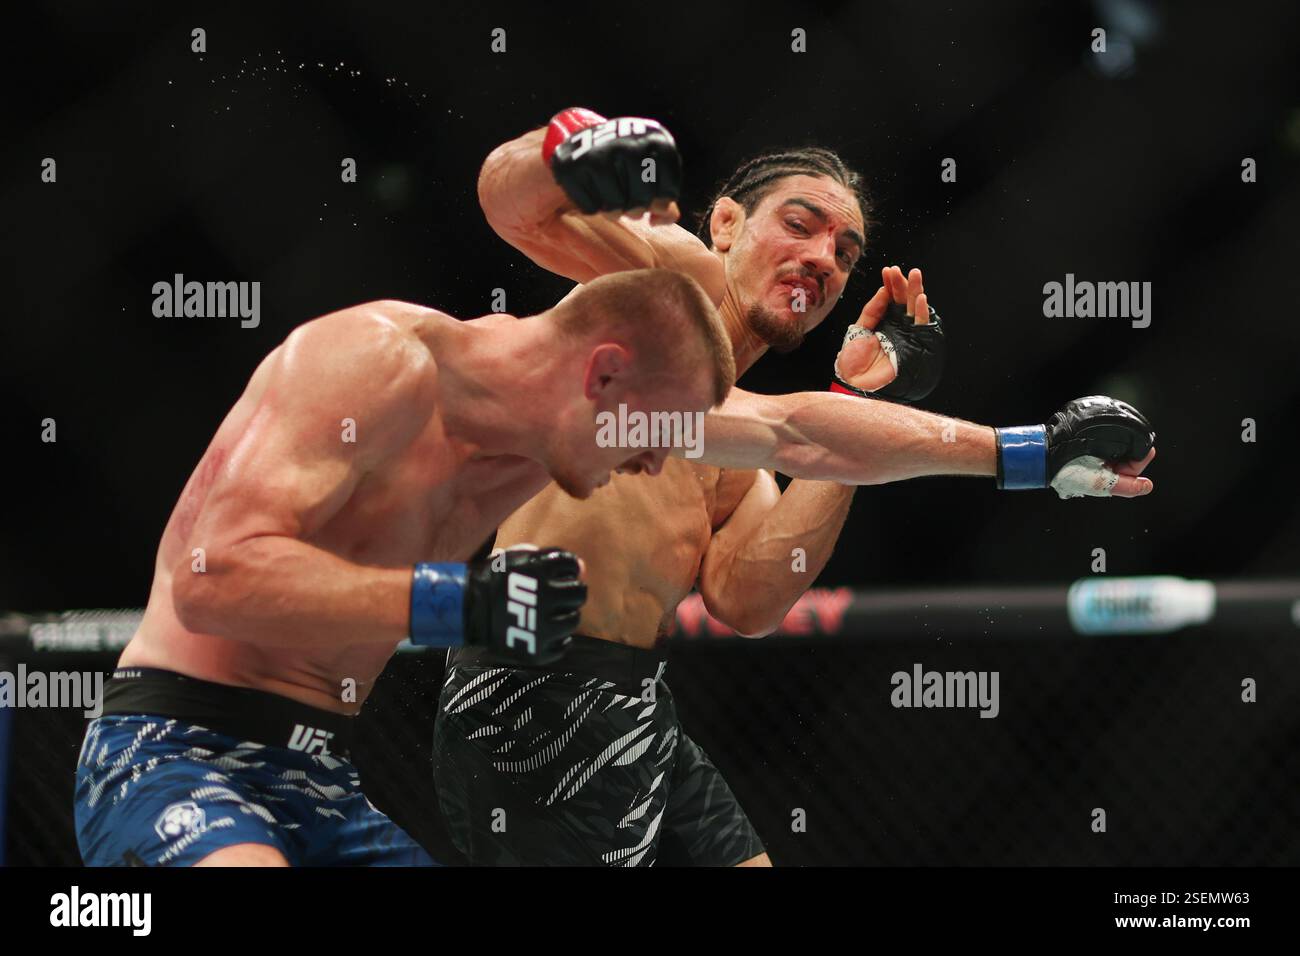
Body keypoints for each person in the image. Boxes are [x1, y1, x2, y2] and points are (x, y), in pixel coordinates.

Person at [431, 108, 1156, 867]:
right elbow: (510, 204)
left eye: (844, 252)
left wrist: (856, 396)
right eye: (800, 226)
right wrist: (563, 148)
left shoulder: (740, 454)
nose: (822, 259)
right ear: (724, 224)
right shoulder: (667, 277)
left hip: (640, 705)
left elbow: (751, 602)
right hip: (533, 698)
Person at [74, 269, 736, 866]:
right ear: (605, 373)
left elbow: (793, 431)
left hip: (322, 777)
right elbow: (209, 580)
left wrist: (842, 384)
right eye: (658, 433)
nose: (656, 464)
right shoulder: (374, 362)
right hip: (176, 749)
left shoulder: (540, 447)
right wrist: (459, 603)